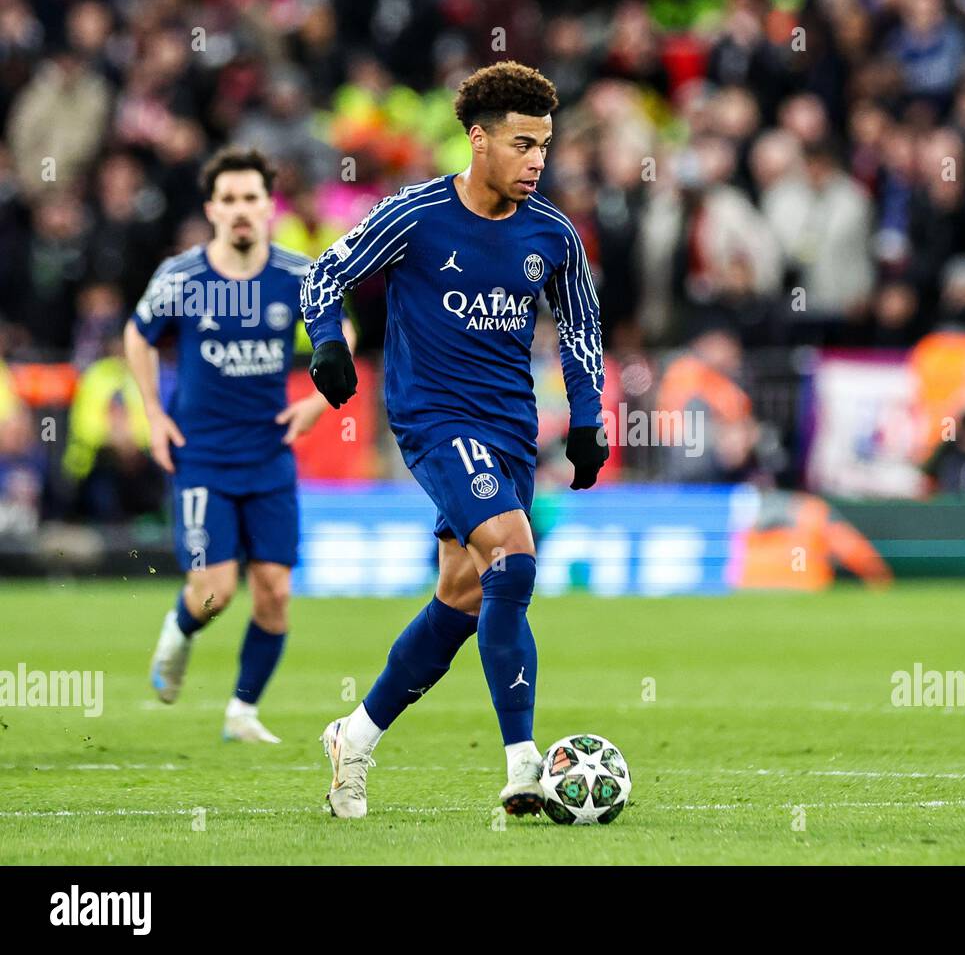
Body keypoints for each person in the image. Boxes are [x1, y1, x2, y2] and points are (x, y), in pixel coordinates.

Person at [301, 62, 608, 818]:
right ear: (478, 140)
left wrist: (589, 417)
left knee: (464, 596)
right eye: (522, 144)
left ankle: (357, 734)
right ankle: (525, 764)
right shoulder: (416, 215)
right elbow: (324, 273)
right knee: (513, 554)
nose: (538, 160)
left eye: (545, 145)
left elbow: (581, 330)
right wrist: (327, 343)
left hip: (509, 430)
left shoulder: (553, 234)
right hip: (435, 421)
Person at [124, 147, 351, 741]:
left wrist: (316, 402)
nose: (241, 210)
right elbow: (137, 334)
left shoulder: (300, 275)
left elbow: (341, 329)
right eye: (228, 200)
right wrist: (152, 412)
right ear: (211, 209)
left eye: (251, 197)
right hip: (201, 456)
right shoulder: (183, 277)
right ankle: (178, 630)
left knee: (275, 591)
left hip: (270, 454)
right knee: (215, 593)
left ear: (268, 206)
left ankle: (242, 713)